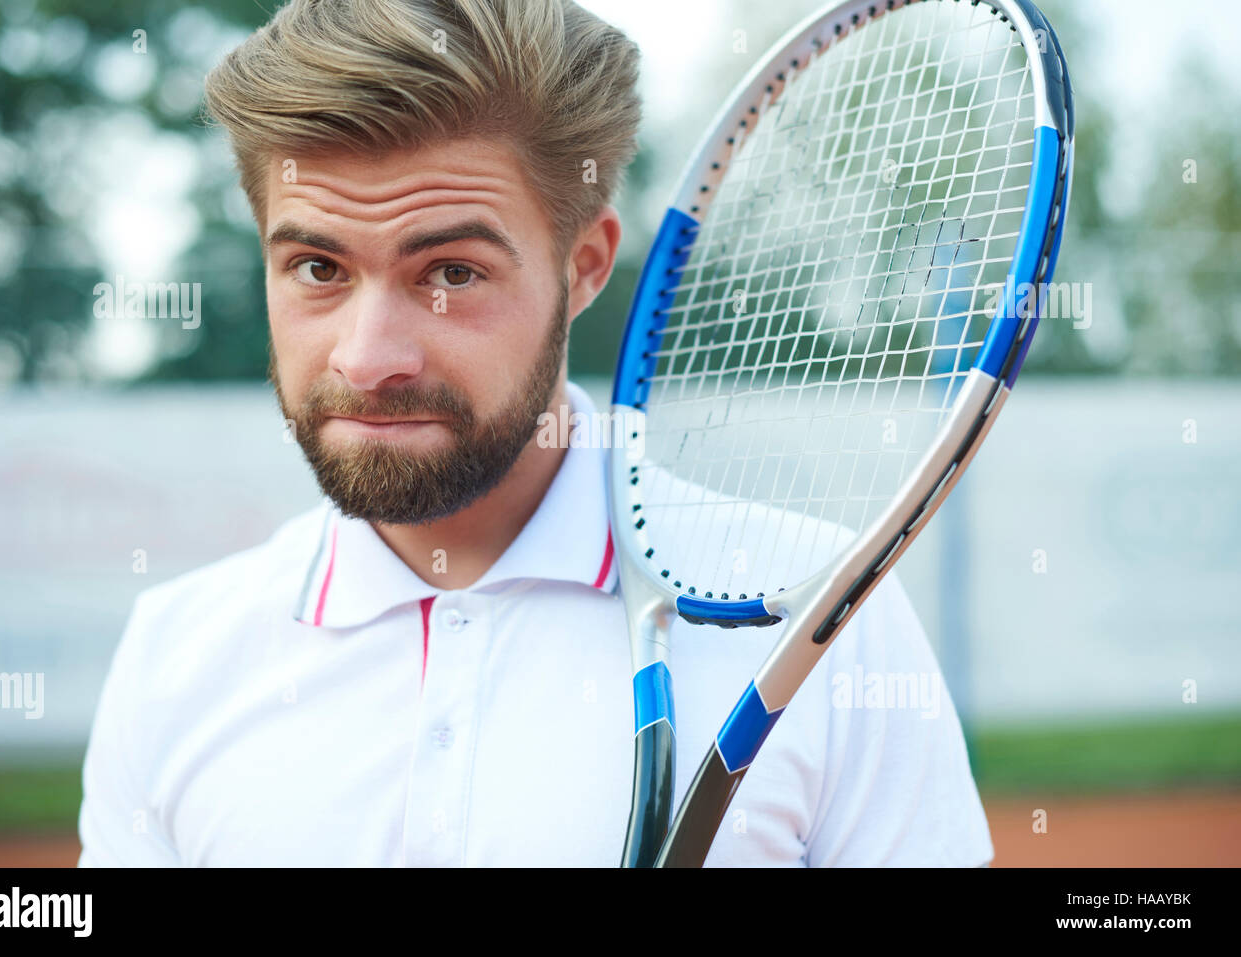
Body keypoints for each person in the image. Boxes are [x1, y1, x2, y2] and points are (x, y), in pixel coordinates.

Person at [78, 0, 993, 867]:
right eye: (318, 266)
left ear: (584, 265)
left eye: (451, 272)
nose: (367, 360)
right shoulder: (174, 656)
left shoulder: (822, 614)